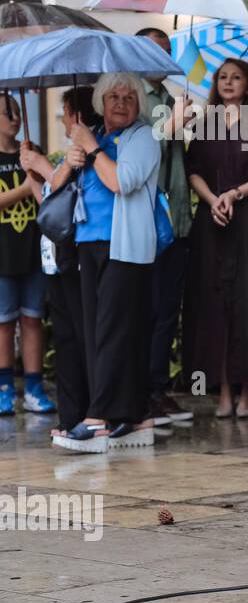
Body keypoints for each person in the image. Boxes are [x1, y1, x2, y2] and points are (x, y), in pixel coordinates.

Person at [53, 72, 163, 451]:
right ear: (101, 102)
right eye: (113, 96)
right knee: (99, 331)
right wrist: (70, 159)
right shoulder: (93, 133)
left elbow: (122, 182)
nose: (120, 103)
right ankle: (135, 416)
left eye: (128, 97)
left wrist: (93, 149)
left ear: (139, 105)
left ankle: (98, 417)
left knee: (113, 331)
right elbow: (55, 186)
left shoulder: (144, 137)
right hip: (88, 243)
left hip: (126, 247)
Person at [181, 59, 248, 419]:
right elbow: (193, 171)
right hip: (211, 221)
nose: (228, 82)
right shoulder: (205, 123)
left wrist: (234, 194)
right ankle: (222, 388)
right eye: (222, 77)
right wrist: (213, 201)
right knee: (214, 304)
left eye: (236, 77)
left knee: (247, 303)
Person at [20, 88, 99, 434]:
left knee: (81, 338)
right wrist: (33, 176)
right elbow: (51, 207)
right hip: (55, 258)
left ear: (76, 115)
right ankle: (69, 417)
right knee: (65, 338)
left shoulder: (84, 150)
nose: (63, 120)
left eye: (65, 112)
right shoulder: (66, 154)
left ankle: (88, 414)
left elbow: (69, 188)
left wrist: (41, 165)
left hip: (77, 258)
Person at [136, 27, 194, 425]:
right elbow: (140, 152)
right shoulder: (131, 96)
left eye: (167, 51)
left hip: (176, 217)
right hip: (145, 221)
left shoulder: (172, 97)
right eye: (154, 51)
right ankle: (145, 392)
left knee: (168, 311)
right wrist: (173, 124)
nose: (162, 58)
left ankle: (159, 388)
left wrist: (184, 120)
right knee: (149, 310)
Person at [0, 94, 54, 415]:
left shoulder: (33, 153)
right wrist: (25, 185)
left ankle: (34, 386)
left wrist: (36, 168)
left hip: (34, 249)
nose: (15, 117)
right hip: (3, 253)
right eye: (7, 112)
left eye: (17, 111)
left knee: (33, 318)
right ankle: (4, 387)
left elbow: (49, 194)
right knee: (4, 323)